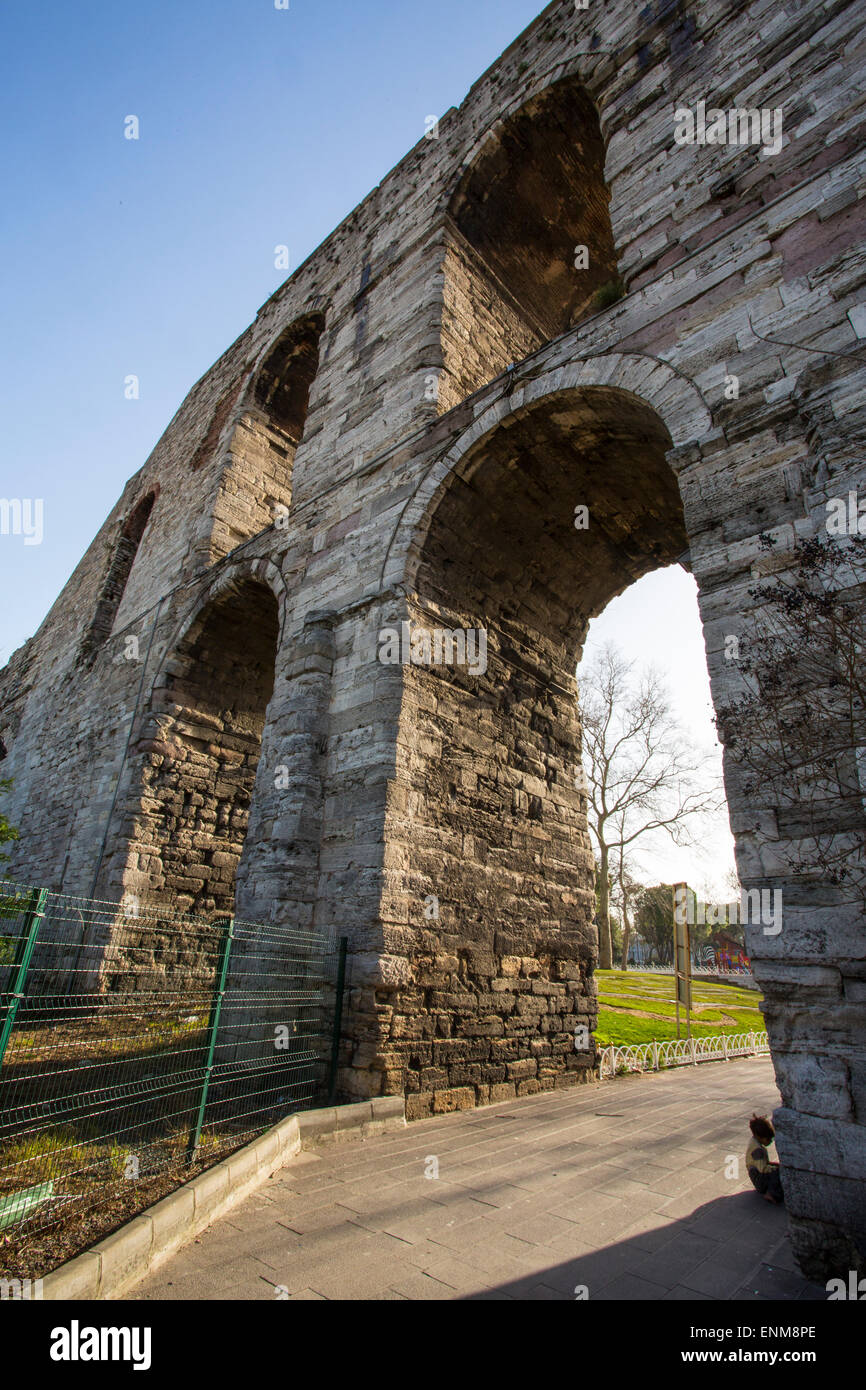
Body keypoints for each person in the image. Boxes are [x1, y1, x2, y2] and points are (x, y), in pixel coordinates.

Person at [746, 1114, 784, 1203]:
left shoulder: (755, 1141)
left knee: (776, 1167)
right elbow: (762, 1168)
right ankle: (771, 1194)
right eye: (768, 1139)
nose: (770, 1141)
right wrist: (775, 1169)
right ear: (760, 1137)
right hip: (759, 1179)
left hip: (758, 1173)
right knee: (775, 1173)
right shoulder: (757, 1150)